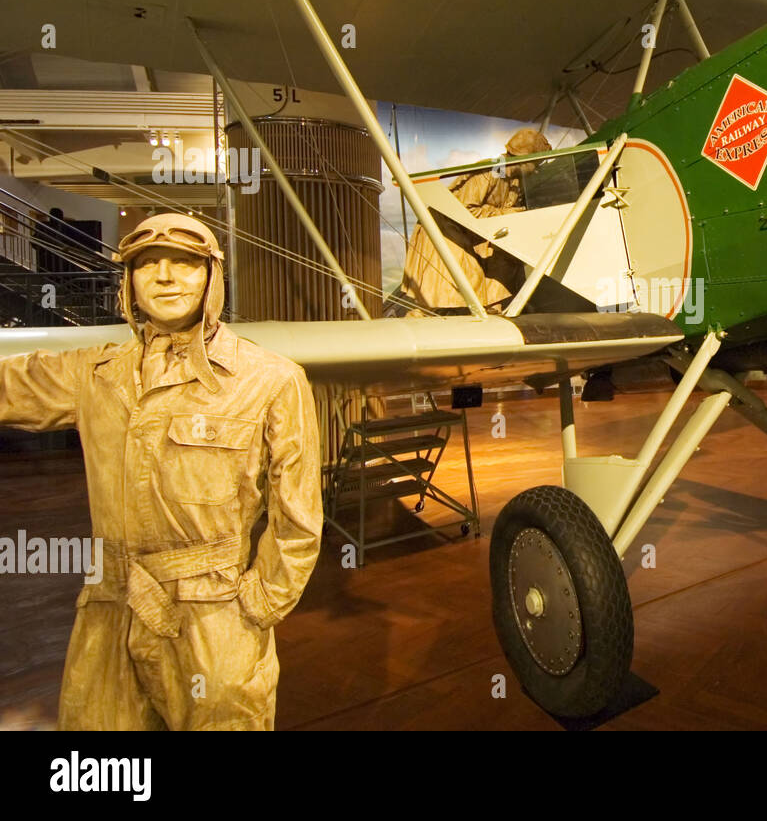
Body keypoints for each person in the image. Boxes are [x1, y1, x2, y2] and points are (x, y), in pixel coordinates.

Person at [0, 213, 322, 729]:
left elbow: (298, 515)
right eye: (148, 264)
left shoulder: (271, 380)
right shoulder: (96, 375)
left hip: (213, 616)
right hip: (109, 608)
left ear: (211, 277)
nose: (166, 276)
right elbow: (13, 384)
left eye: (185, 263)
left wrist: (260, 605)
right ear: (128, 283)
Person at [401, 128, 551, 313]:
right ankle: (422, 318)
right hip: (446, 231)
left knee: (507, 258)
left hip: (472, 233)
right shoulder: (491, 170)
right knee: (459, 285)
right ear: (523, 157)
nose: (536, 169)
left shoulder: (514, 181)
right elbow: (465, 211)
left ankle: (498, 305)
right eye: (535, 162)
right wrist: (509, 214)